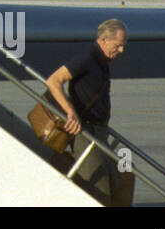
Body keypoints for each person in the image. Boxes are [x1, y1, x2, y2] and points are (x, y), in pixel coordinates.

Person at [44, 18, 129, 205]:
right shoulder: (88, 58)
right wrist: (70, 112)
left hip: (99, 131)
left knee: (118, 180)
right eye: (118, 45)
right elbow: (53, 81)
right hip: (85, 132)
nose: (121, 50)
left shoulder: (102, 60)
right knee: (98, 189)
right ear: (104, 39)